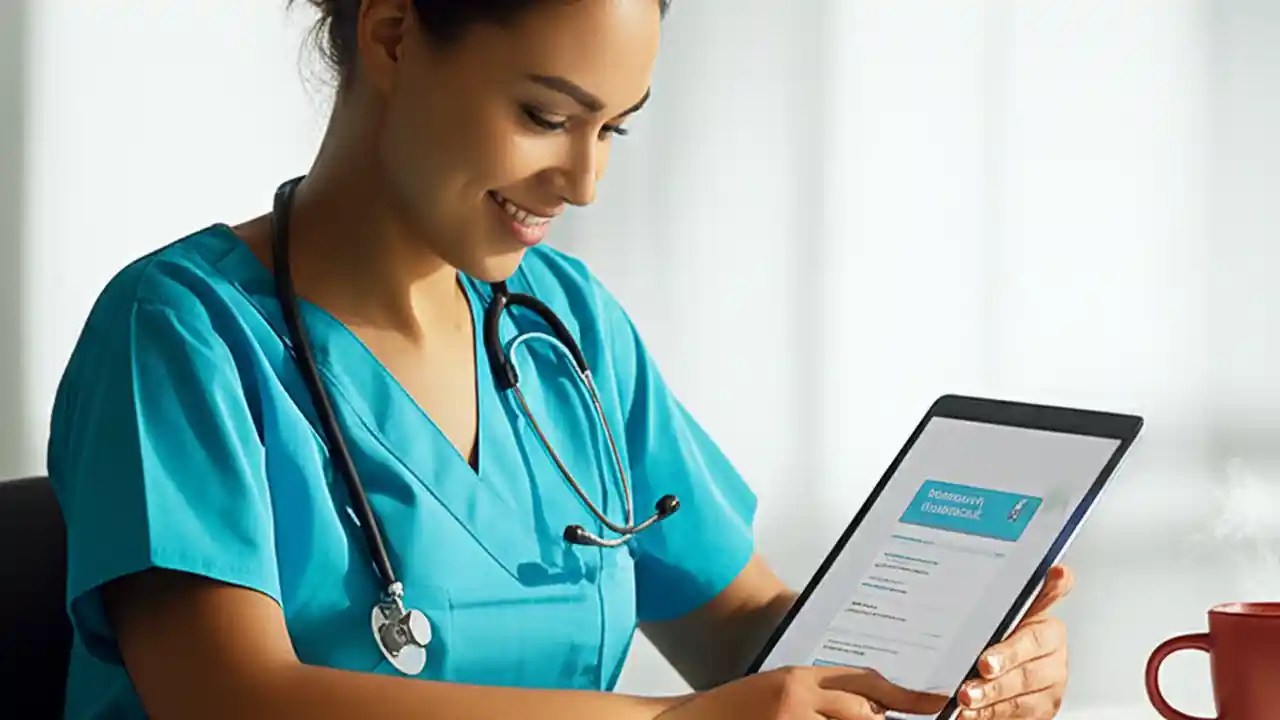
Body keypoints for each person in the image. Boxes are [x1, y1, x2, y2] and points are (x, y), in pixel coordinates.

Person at [46, 1, 1075, 718]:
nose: (582, 181)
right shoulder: (183, 333)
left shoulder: (563, 327)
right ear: (394, 34)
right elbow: (228, 701)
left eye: (613, 128)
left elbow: (740, 633)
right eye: (545, 116)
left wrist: (942, 668)